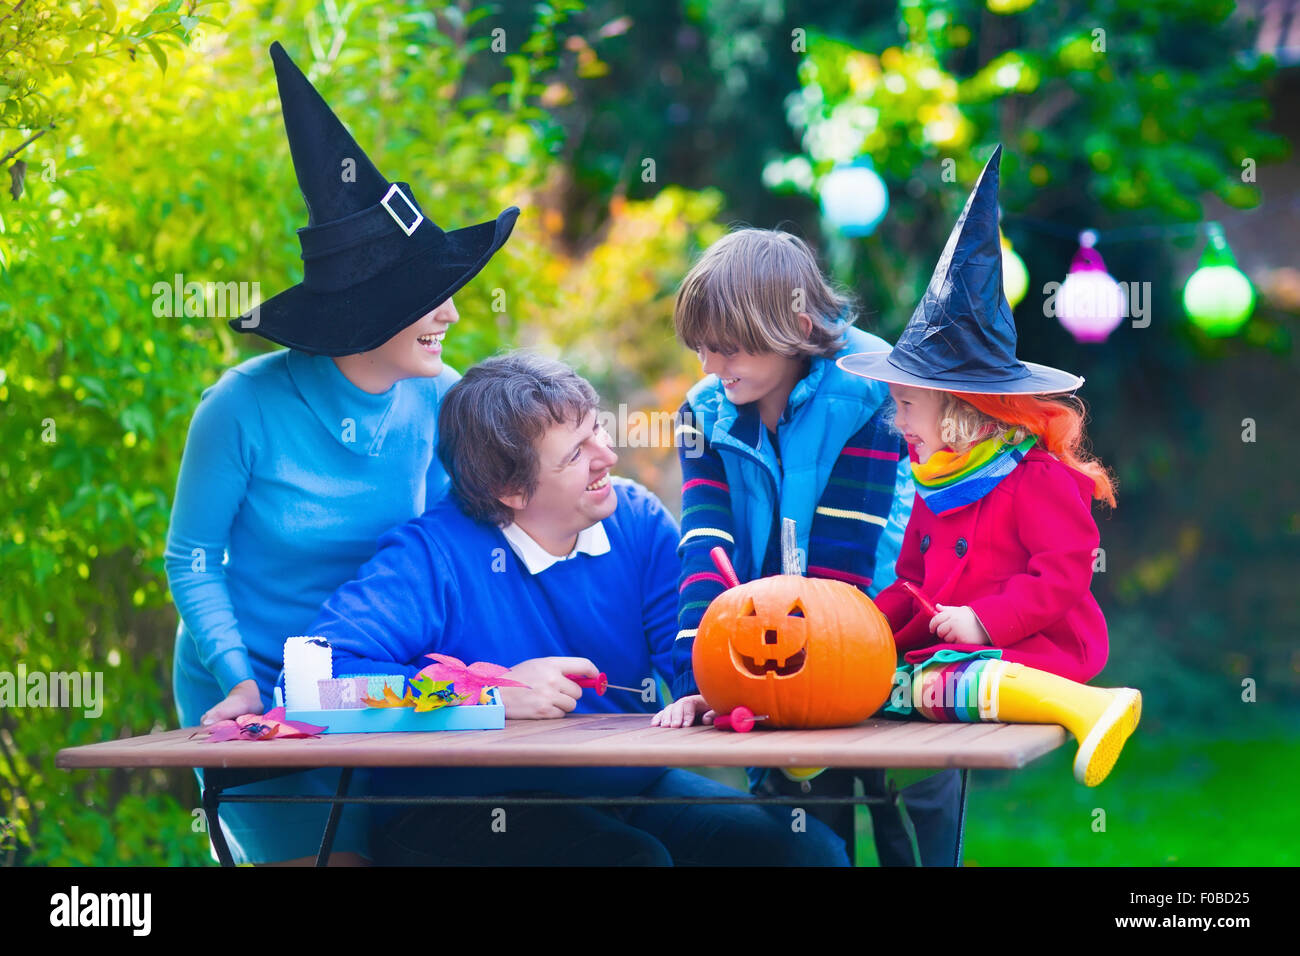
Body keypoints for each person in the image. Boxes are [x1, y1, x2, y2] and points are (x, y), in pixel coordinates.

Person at [165, 41, 518, 865]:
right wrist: (237, 679)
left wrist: (476, 671)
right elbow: (192, 557)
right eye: (434, 300)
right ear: (369, 313)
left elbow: (453, 544)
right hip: (250, 684)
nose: (453, 318)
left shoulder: (443, 398)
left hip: (380, 687)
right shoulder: (241, 408)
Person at [304, 353, 850, 865]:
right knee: (631, 861)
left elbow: (689, 656)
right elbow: (316, 685)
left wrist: (724, 689)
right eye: (576, 452)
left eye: (597, 430)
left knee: (806, 853)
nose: (607, 457)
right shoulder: (428, 557)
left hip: (624, 783)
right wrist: (486, 692)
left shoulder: (635, 518)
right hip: (456, 804)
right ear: (509, 489)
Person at [649, 227, 965, 866]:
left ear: (793, 324)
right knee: (806, 833)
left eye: (728, 349)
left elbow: (851, 549)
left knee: (913, 804)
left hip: (893, 628)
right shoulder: (703, 410)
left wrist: (808, 674)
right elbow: (705, 540)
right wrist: (702, 675)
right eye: (702, 349)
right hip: (778, 651)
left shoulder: (873, 386)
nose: (710, 367)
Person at [838, 145, 1140, 788]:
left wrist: (985, 619)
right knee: (883, 677)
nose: (898, 424)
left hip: (1035, 648)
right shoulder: (934, 481)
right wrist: (863, 627)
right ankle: (821, 731)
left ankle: (1093, 706)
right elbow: (913, 581)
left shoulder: (1036, 480)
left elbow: (1061, 578)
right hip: (953, 650)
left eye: (908, 406)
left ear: (961, 411)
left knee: (949, 682)